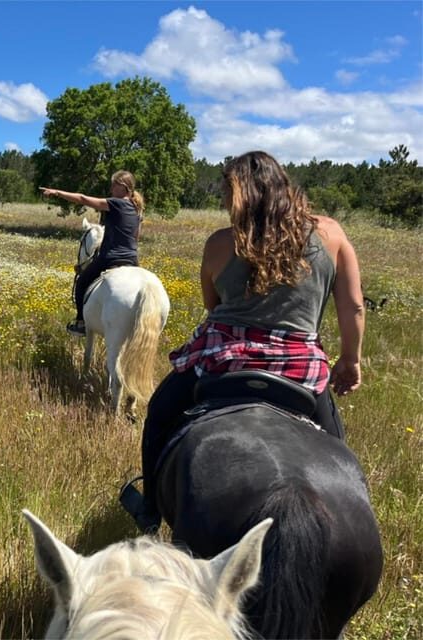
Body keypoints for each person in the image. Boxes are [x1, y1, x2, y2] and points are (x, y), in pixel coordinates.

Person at [129, 150, 366, 532]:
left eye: (227, 194)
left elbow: (212, 306)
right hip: (298, 367)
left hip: (224, 358)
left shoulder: (220, 243)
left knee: (159, 413)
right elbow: (353, 307)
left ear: (238, 195)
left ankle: (151, 507)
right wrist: (350, 361)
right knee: (339, 451)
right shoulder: (332, 234)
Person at [40, 170, 144, 336]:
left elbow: (82, 199)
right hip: (132, 260)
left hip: (111, 258)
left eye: (113, 185)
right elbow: (136, 238)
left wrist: (57, 192)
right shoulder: (137, 209)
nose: (111, 188)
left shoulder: (116, 203)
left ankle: (81, 322)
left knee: (81, 282)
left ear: (123, 187)